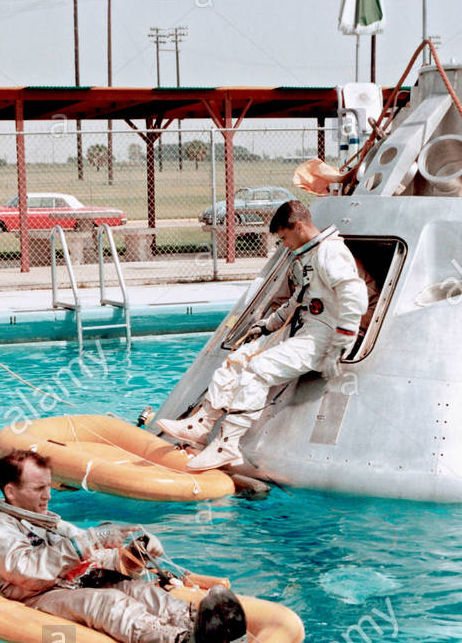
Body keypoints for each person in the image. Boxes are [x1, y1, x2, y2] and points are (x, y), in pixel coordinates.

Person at [0, 449, 251, 643]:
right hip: (36, 596)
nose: (48, 495)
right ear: (11, 492)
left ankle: (208, 626)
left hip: (73, 583)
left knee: (141, 592)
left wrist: (129, 556)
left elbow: (89, 555)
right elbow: (27, 574)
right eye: (39, 488)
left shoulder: (52, 523)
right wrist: (88, 541)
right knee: (108, 604)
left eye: (48, 486)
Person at [156, 200, 368, 470]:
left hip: (323, 336)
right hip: (305, 329)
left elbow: (354, 294)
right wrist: (267, 325)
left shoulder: (330, 252)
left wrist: (341, 343)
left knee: (258, 368)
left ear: (299, 226)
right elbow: (298, 300)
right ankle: (203, 423)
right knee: (241, 356)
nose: (284, 244)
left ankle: (227, 446)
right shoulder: (309, 255)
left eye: (284, 237)